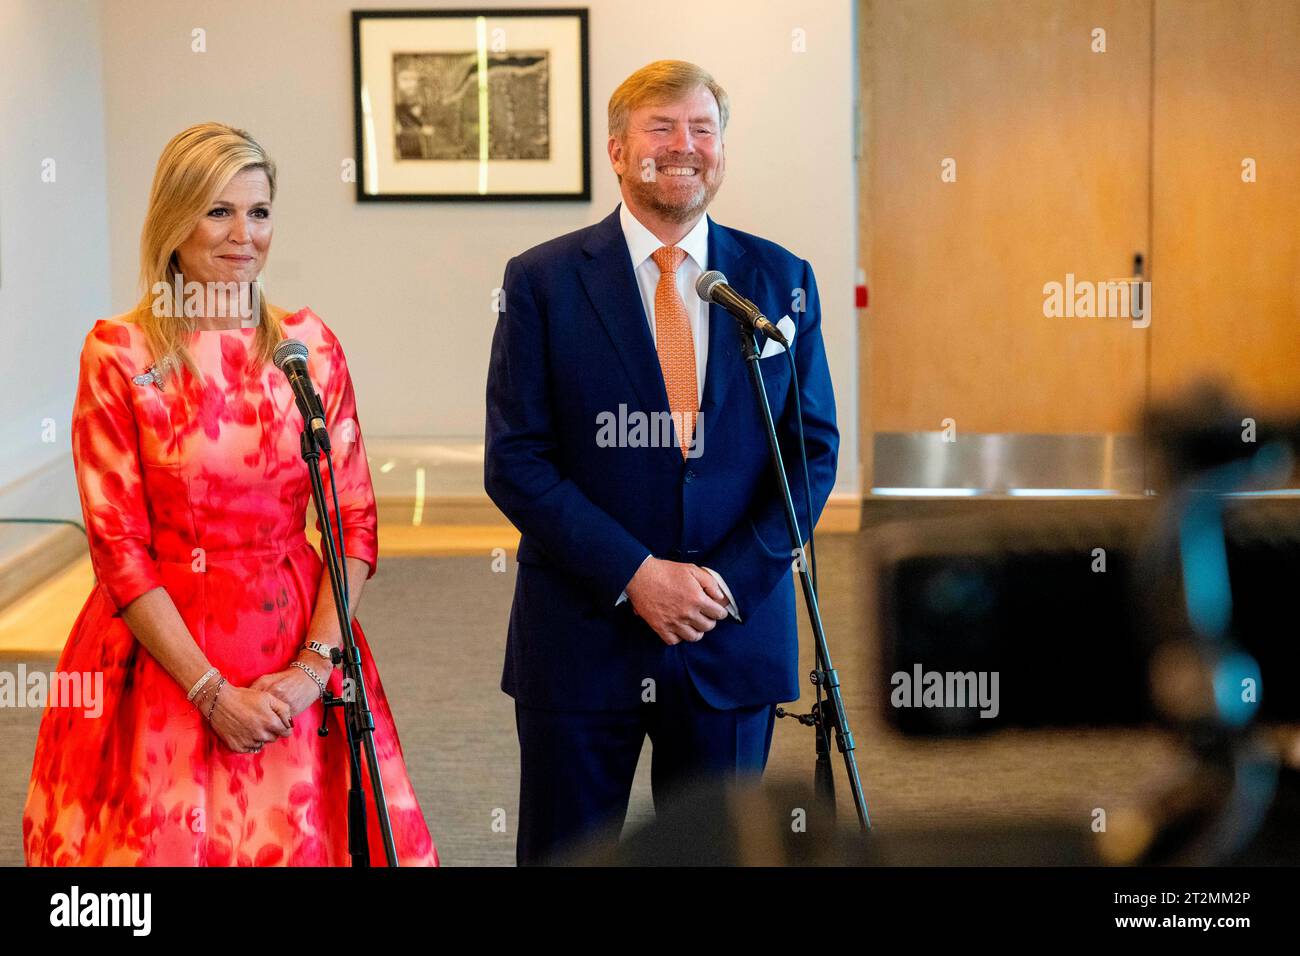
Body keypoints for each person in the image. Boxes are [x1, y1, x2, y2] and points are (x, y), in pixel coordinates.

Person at [22, 123, 438, 866]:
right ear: (175, 221)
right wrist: (211, 692)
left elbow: (353, 523)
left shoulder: (306, 346)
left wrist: (314, 671)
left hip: (294, 642)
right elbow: (119, 548)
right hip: (161, 655)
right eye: (218, 211)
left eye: (260, 211)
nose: (244, 234)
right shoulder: (121, 351)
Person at [484, 60, 839, 865]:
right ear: (617, 150)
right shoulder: (540, 281)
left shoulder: (780, 281)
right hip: (583, 636)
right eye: (662, 128)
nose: (686, 147)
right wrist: (638, 573)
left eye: (703, 129)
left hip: (730, 635)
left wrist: (726, 584)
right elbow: (517, 461)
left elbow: (810, 453)